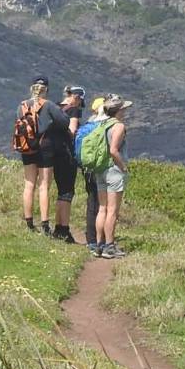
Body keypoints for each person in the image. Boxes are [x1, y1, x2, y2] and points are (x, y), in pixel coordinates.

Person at [15, 77, 71, 235]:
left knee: (29, 184)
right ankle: (45, 224)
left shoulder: (22, 106)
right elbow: (64, 122)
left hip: (27, 147)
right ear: (46, 89)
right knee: (44, 185)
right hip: (45, 146)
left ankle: (29, 222)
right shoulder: (48, 105)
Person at [94, 94, 133, 259]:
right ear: (118, 111)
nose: (125, 110)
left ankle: (99, 245)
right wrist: (123, 167)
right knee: (113, 211)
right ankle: (110, 246)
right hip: (113, 171)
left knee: (102, 208)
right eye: (123, 108)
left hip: (100, 170)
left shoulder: (102, 124)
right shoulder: (118, 126)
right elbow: (113, 150)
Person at [50, 84, 86, 243]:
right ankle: (63, 229)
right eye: (80, 101)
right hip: (67, 155)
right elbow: (71, 131)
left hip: (52, 154)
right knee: (67, 192)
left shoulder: (55, 107)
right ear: (76, 98)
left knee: (60, 192)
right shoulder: (73, 110)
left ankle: (58, 227)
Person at [75, 96, 108, 255]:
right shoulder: (104, 127)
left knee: (92, 202)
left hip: (87, 168)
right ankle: (102, 240)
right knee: (103, 205)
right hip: (101, 168)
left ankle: (91, 239)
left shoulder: (86, 127)